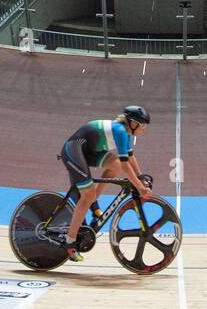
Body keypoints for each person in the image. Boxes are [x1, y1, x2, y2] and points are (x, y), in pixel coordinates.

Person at [60, 106, 153, 261]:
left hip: (89, 150)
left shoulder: (126, 133)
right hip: (74, 151)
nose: (144, 129)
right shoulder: (121, 132)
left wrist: (141, 176)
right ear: (133, 123)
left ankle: (93, 199)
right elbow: (125, 165)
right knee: (87, 196)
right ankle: (69, 242)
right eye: (142, 126)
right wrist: (139, 187)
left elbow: (130, 157)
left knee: (114, 165)